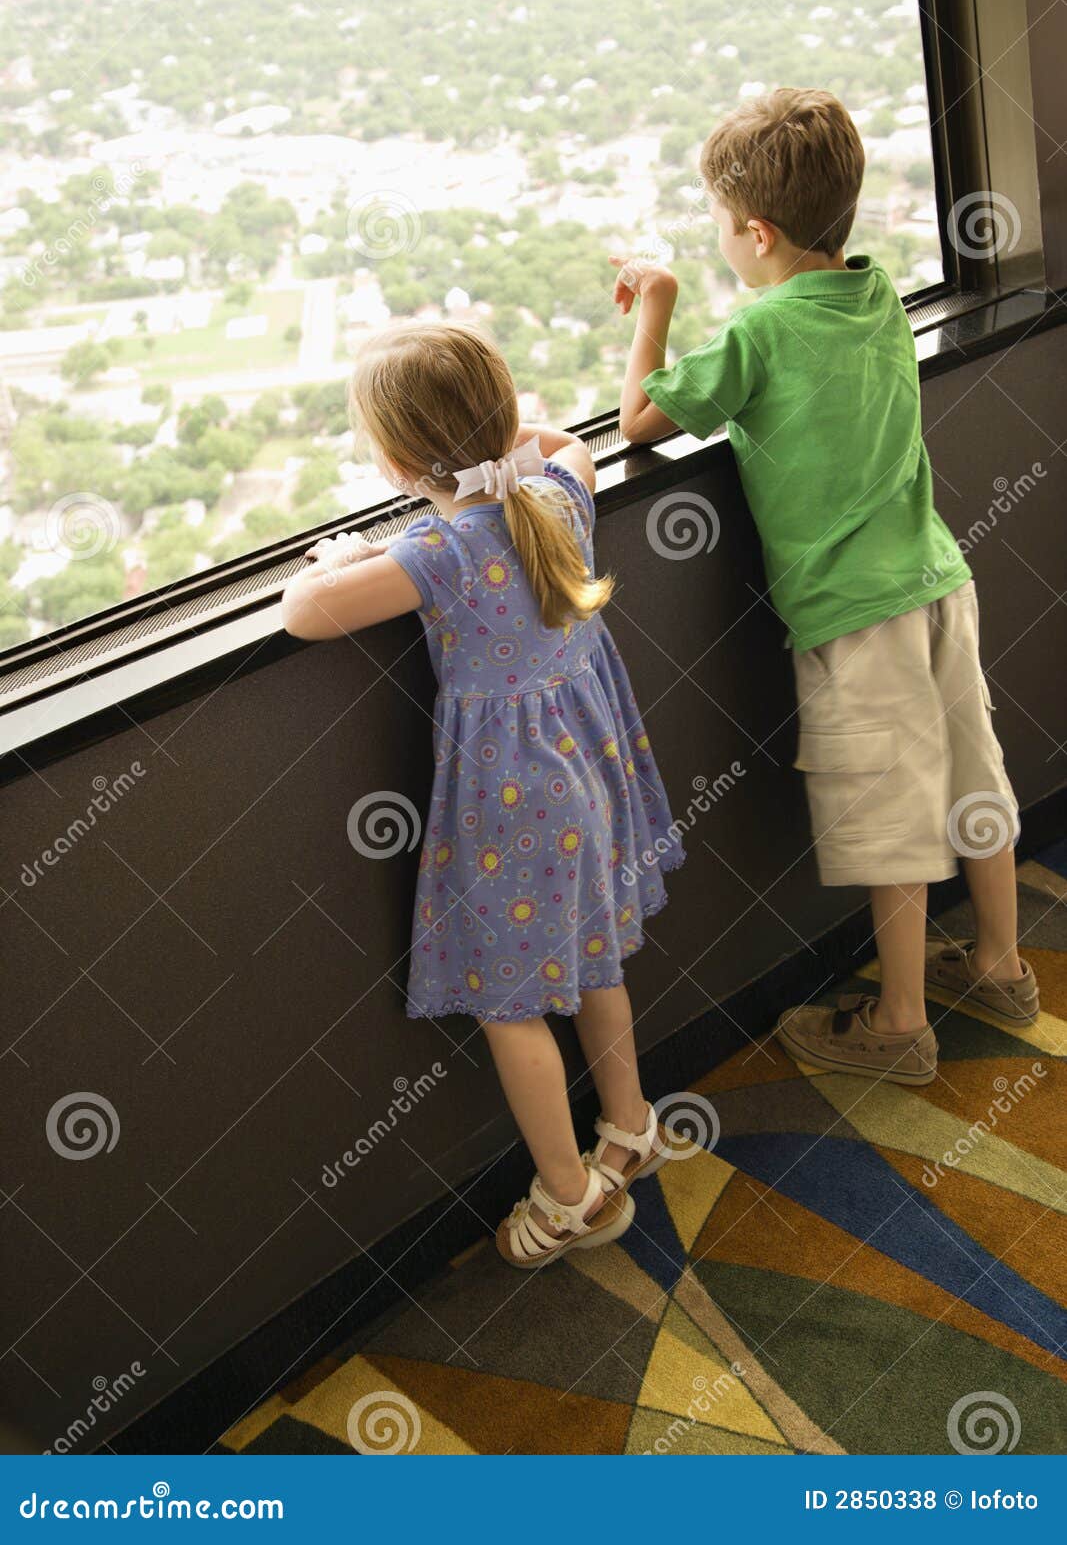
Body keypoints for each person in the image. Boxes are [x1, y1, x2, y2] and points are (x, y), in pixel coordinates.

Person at [610, 86, 1038, 1086]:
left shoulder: (756, 336)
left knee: (893, 822)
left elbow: (638, 420)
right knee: (974, 784)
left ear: (755, 233)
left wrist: (657, 304)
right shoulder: (874, 292)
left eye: (721, 225)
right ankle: (999, 962)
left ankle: (897, 1025)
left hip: (854, 614)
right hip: (936, 579)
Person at [281, 321, 683, 1265]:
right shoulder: (556, 498)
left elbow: (302, 614)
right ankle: (630, 1125)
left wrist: (338, 562)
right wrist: (507, 443)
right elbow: (570, 445)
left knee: (509, 1002)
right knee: (595, 959)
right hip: (588, 772)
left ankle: (573, 1198)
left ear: (395, 462)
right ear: (503, 419)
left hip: (515, 804)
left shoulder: (439, 553)